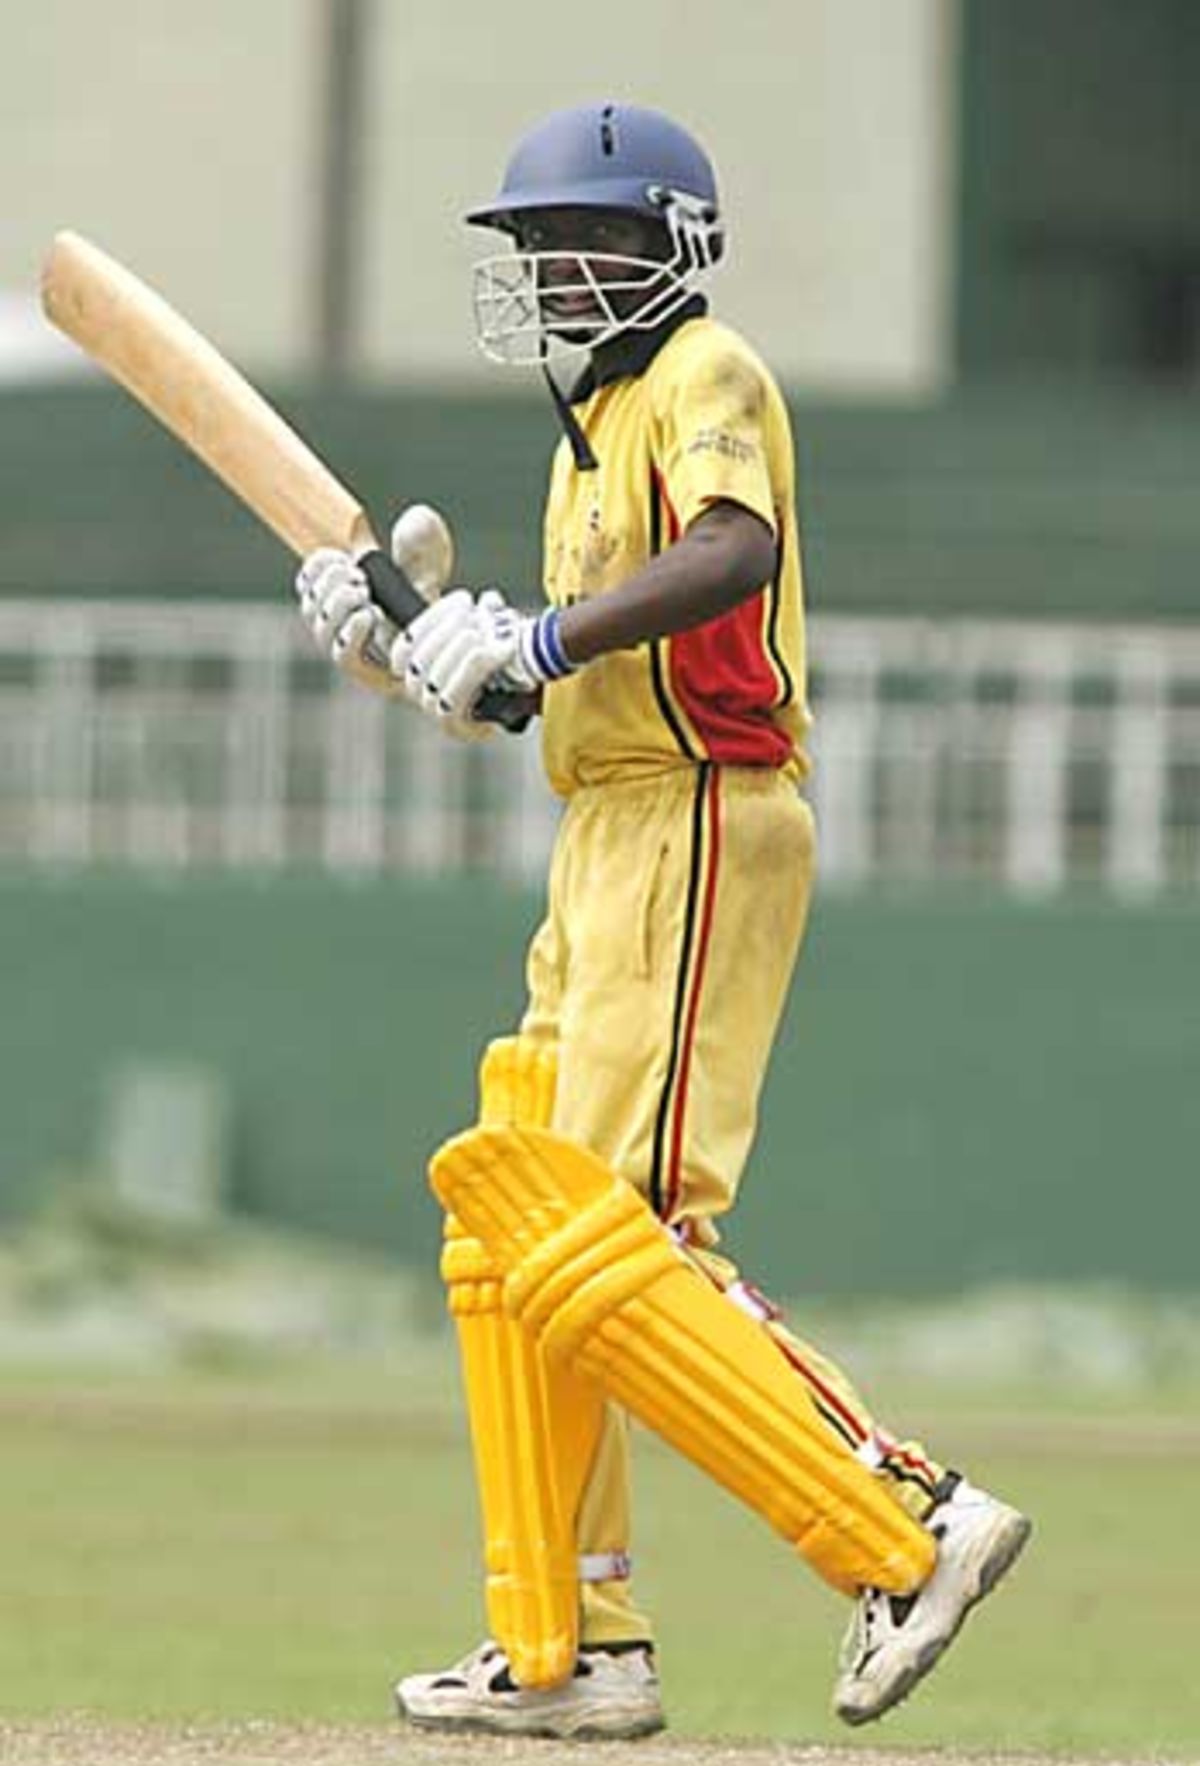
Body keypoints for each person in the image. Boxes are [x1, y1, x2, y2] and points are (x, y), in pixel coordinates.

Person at [294, 101, 1031, 1743]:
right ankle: (575, 1639)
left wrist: (538, 639)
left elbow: (731, 553)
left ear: (672, 248)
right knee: (520, 1224)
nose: (561, 270)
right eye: (541, 247)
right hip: (606, 831)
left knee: (626, 1243)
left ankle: (910, 1527)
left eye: (593, 241)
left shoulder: (704, 374)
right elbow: (537, 688)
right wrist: (404, 643)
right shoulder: (586, 432)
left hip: (708, 820)